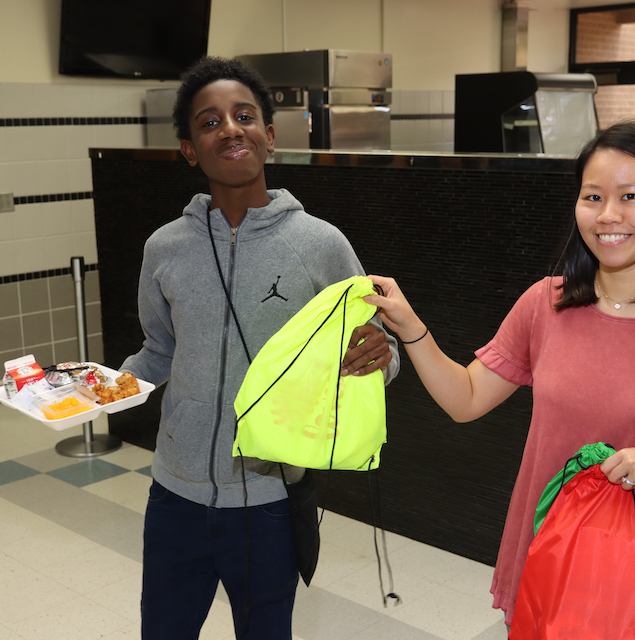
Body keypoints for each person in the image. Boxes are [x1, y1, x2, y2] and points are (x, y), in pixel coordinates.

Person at [365, 120, 635, 627]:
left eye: (630, 196)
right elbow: (467, 398)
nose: (608, 215)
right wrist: (412, 328)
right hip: (551, 556)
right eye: (593, 197)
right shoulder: (546, 304)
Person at [119, 56, 399, 640]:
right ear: (190, 150)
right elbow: (157, 350)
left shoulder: (320, 244)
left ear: (269, 137)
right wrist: (101, 390)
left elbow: (377, 348)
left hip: (269, 498)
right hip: (175, 495)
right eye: (209, 121)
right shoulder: (164, 249)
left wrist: (384, 353)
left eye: (243, 116)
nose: (229, 128)